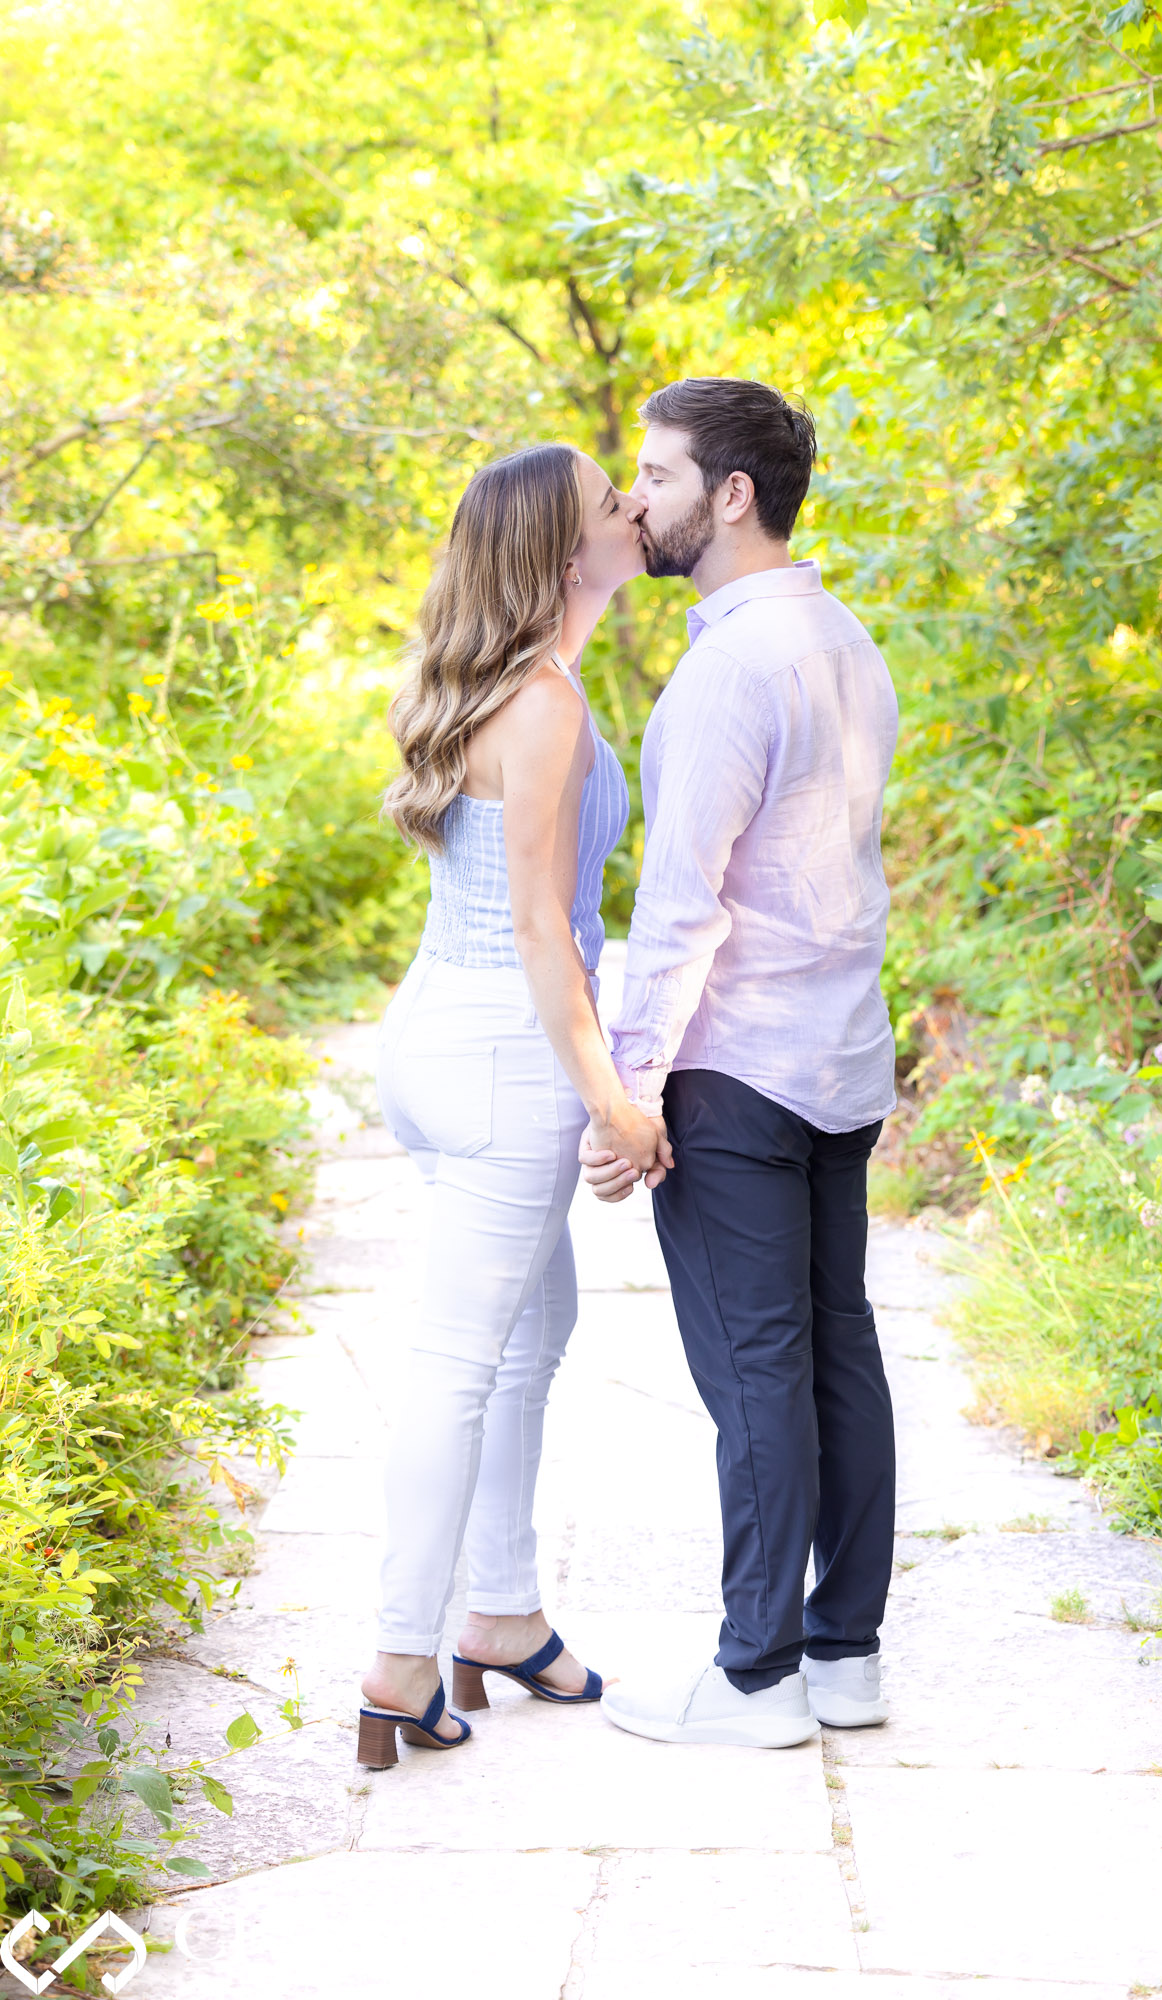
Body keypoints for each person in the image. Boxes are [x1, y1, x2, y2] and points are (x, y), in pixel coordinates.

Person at [581, 378, 899, 1749]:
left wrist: (630, 1090)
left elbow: (681, 907)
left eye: (654, 475)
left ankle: (754, 1675)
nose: (633, 498)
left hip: (738, 1069)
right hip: (835, 1055)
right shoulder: (844, 640)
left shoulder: (723, 671)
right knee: (837, 1356)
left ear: (730, 496)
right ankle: (842, 1657)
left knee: (756, 1369)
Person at [357, 443, 671, 1769]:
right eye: (615, 502)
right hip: (502, 1056)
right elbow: (545, 930)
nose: (636, 509)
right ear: (562, 554)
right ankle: (394, 1657)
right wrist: (613, 1099)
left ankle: (498, 1615)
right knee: (458, 1360)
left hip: (446, 1034)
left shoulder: (522, 685)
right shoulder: (538, 705)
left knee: (527, 1335)